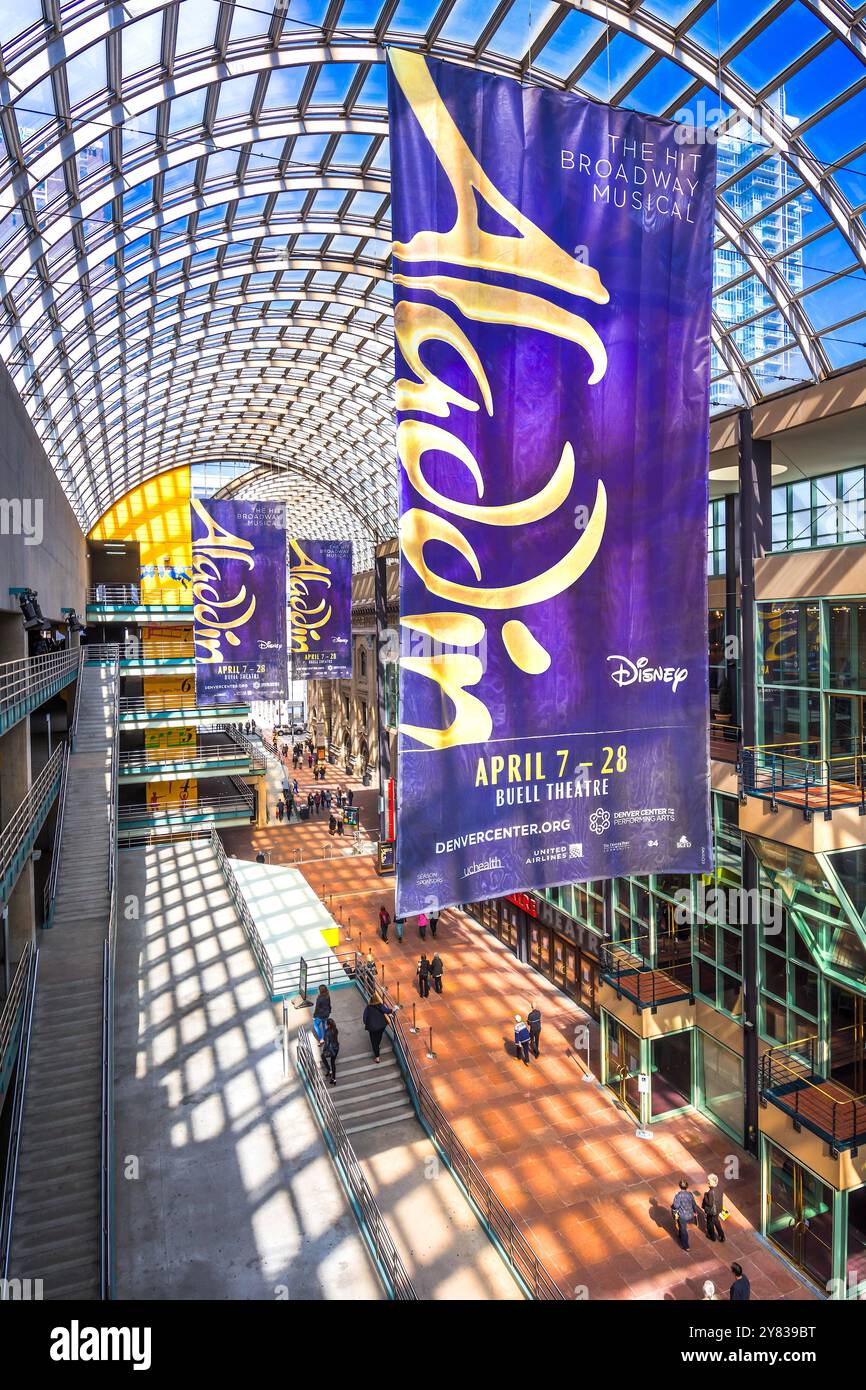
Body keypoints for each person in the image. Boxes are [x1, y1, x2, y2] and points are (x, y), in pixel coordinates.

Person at [362, 991, 393, 1062]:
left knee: (374, 1042)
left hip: (372, 1028)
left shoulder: (368, 1007)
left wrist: (367, 1023)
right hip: (381, 1026)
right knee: (379, 1037)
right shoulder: (380, 1005)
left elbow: (364, 1018)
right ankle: (378, 1046)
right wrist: (392, 1010)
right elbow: (387, 1011)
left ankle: (377, 1057)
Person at [671, 1179, 699, 1251]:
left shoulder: (678, 1195)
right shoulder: (690, 1194)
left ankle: (686, 1246)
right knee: (681, 1226)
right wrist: (695, 1212)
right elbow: (694, 1204)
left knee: (684, 1230)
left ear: (680, 1186)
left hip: (682, 1216)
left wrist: (673, 1206)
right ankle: (680, 1235)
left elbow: (676, 1206)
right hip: (690, 1214)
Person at [702, 1173, 726, 1243]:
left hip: (712, 1211)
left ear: (711, 1183)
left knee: (710, 1223)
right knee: (716, 1221)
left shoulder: (710, 1192)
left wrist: (705, 1195)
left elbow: (709, 1203)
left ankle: (712, 1236)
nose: (708, 1182)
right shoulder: (720, 1187)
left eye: (709, 1181)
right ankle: (721, 1235)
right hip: (718, 1208)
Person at [321, 1018, 339, 1086]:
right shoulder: (335, 1030)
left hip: (331, 1050)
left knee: (322, 1056)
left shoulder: (327, 1032)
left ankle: (329, 1070)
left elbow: (327, 1043)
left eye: (326, 1024)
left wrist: (324, 1050)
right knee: (332, 1062)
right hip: (336, 1048)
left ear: (328, 1025)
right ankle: (334, 1078)